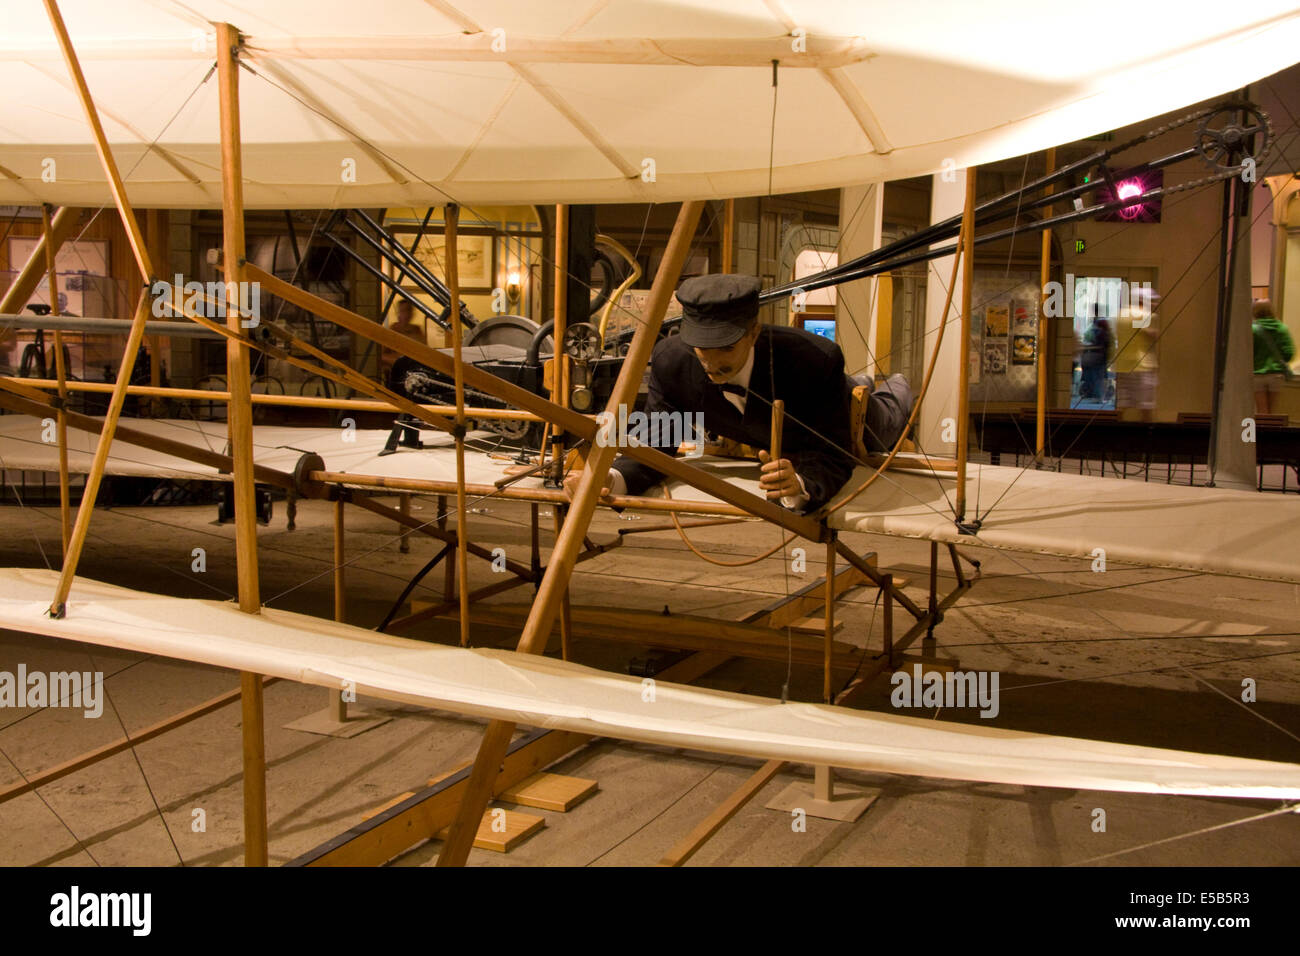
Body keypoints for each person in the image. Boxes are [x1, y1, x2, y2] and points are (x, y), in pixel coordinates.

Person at [578, 274, 913, 513]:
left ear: (753, 333)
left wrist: (801, 483)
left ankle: (895, 384)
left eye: (724, 346)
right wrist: (613, 477)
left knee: (885, 416)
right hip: (767, 429)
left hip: (846, 409)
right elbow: (655, 445)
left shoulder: (814, 361)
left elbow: (832, 452)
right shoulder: (673, 363)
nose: (710, 360)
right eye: (701, 347)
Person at [1252, 298, 1295, 415]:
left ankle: (1260, 431)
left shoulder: (1253, 329)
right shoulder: (1282, 328)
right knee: (1271, 411)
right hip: (1276, 375)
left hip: (1257, 374)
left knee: (1262, 410)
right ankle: (1271, 431)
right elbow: (1289, 353)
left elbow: (1247, 352)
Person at [380, 300, 427, 389]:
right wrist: (399, 360)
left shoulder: (417, 330)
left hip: (416, 371)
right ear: (398, 313)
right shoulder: (393, 331)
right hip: (398, 372)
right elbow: (381, 355)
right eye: (403, 311)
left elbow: (424, 351)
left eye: (409, 311)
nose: (406, 314)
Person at [1078, 313, 1112, 402]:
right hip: (1102, 358)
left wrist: (1089, 347)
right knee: (1099, 377)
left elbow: (1098, 345)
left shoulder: (1099, 333)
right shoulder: (1106, 333)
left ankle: (1095, 395)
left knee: (1095, 377)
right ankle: (1098, 395)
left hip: (1096, 358)